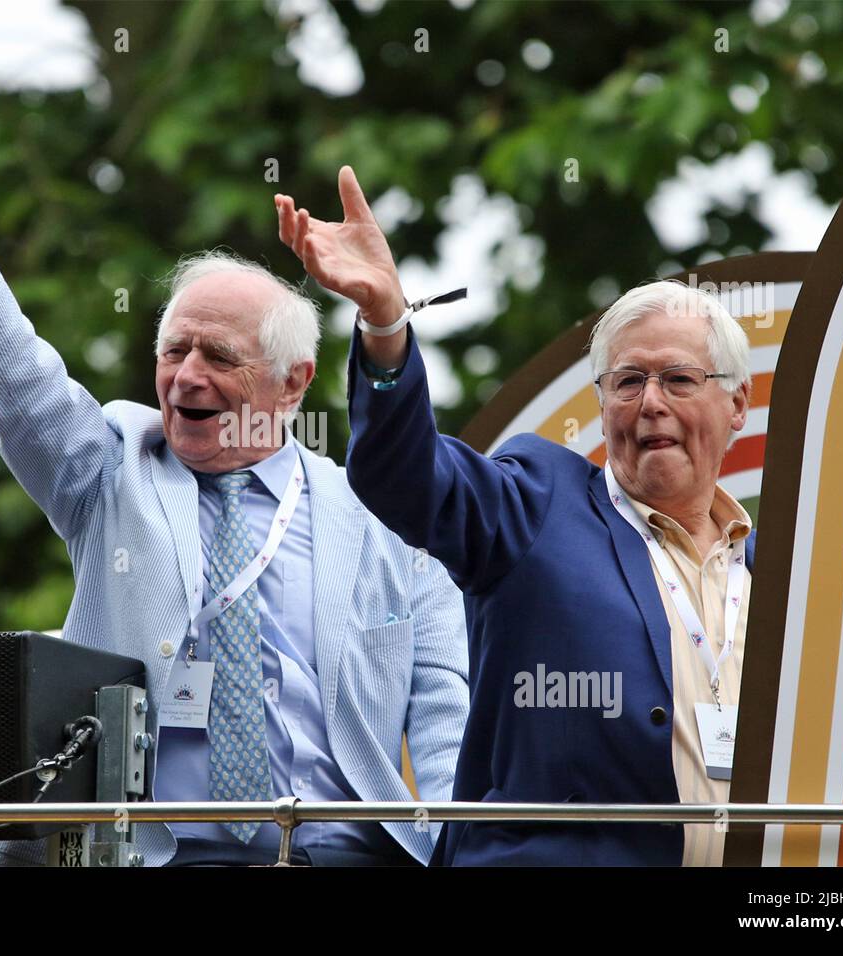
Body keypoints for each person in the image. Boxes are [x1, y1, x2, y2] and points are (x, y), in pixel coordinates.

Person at [0, 27, 468, 867]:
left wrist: (465, 851)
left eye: (220, 358)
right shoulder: (111, 464)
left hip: (339, 854)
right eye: (173, 351)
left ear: (294, 383)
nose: (186, 379)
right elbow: (6, 366)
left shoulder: (387, 512)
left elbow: (448, 713)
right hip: (144, 857)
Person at [276, 169, 757, 866]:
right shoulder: (538, 503)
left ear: (736, 406)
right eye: (626, 381)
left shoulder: (778, 571)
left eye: (679, 379)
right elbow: (402, 475)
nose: (650, 402)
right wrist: (386, 322)